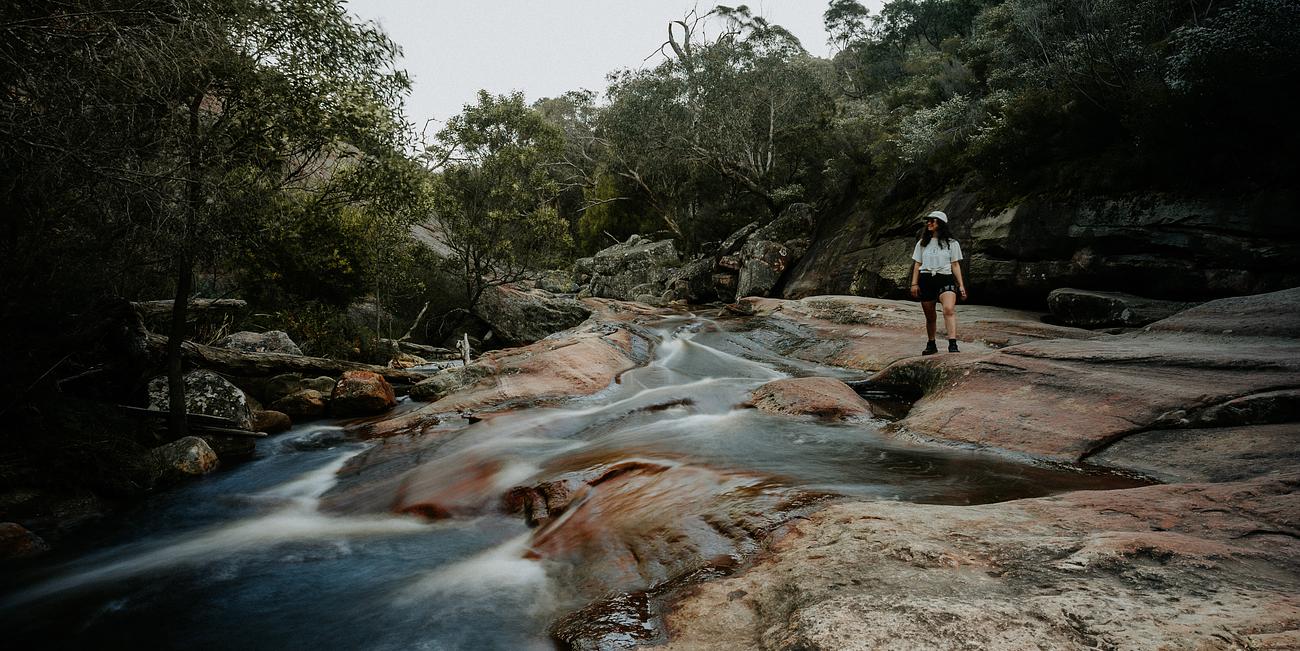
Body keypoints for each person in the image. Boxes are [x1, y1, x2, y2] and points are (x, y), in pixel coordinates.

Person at [908, 210, 968, 355]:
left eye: (932, 220)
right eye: (928, 221)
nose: (928, 223)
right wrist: (914, 284)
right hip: (926, 279)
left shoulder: (952, 244)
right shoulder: (922, 244)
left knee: (948, 309)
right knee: (930, 316)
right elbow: (917, 264)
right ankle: (931, 344)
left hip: (945, 278)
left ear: (940, 223)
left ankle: (952, 343)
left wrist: (961, 285)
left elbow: (955, 265)